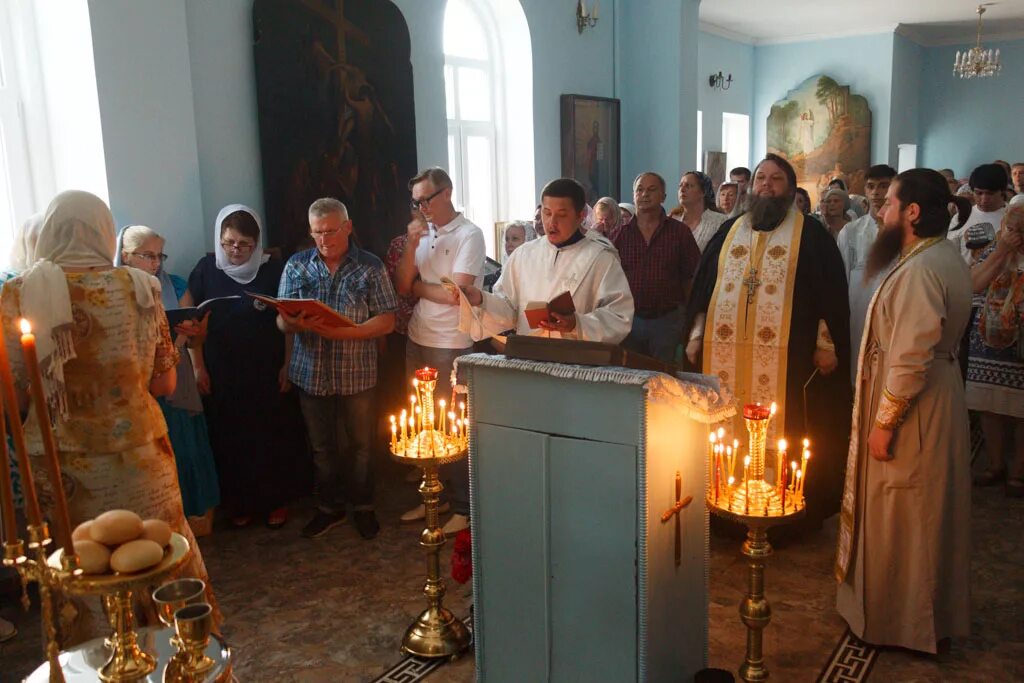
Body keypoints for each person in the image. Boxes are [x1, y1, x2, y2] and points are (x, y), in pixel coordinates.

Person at [0, 190, 217, 633]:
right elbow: (165, 383)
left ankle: (100, 660)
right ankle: (181, 658)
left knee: (85, 571)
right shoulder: (140, 287)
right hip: (140, 455)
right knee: (158, 557)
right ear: (105, 233)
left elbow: (18, 398)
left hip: (63, 466)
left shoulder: (16, 295)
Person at [835, 168, 973, 654]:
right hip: (937, 395)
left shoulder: (918, 269)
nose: (882, 211)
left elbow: (911, 355)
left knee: (904, 509)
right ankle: (918, 615)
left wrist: (883, 424)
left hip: (915, 408)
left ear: (912, 212)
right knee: (919, 509)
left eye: (890, 203)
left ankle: (900, 621)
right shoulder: (935, 255)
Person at [685, 154, 852, 529]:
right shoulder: (728, 233)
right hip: (722, 357)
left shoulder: (811, 235)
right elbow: (702, 293)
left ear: (790, 189)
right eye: (761, 177)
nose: (766, 185)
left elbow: (831, 297)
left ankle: (784, 515)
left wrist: (826, 344)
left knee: (788, 428)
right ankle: (722, 507)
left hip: (788, 361)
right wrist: (696, 336)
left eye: (776, 179)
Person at [278, 198, 397, 540]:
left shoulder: (370, 266)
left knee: (361, 445)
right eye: (317, 233)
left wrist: (347, 332)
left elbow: (388, 320)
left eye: (331, 231)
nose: (324, 239)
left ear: (347, 227)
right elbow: (281, 323)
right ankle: (328, 508)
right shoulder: (297, 265)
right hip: (310, 370)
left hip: (356, 370)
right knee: (321, 447)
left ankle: (363, 507)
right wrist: (292, 323)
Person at [188, 204, 306, 530]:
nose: (236, 250)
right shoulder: (206, 270)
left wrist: (288, 363)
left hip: (265, 367)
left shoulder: (273, 270)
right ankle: (239, 503)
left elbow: (288, 319)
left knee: (270, 435)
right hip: (222, 367)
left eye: (244, 244)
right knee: (229, 435)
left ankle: (274, 502)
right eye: (229, 243)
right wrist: (198, 367)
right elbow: (191, 324)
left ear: (257, 243)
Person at [395, 168, 485, 535]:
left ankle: (464, 506)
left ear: (447, 193)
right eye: (416, 202)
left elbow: (456, 294)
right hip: (418, 336)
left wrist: (421, 287)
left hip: (451, 341)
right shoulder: (421, 233)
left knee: (452, 425)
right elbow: (403, 284)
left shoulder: (469, 234)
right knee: (424, 422)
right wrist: (411, 247)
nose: (421, 208)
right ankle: (435, 494)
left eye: (426, 200)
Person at [117, 226, 220, 535]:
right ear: (125, 256)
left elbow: (196, 338)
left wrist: (196, 335)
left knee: (186, 445)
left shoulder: (174, 284)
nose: (155, 263)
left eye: (159, 255)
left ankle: (195, 516)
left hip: (180, 372)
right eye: (147, 255)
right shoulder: (118, 291)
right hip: (143, 377)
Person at [457, 178, 633, 343]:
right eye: (547, 213)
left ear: (580, 216)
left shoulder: (601, 258)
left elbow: (619, 316)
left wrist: (577, 323)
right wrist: (481, 299)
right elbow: (510, 309)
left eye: (561, 215)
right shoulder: (524, 255)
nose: (551, 222)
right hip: (531, 357)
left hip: (577, 362)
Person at [611, 172, 700, 363]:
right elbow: (610, 278)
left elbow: (692, 276)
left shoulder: (679, 232)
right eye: (640, 190)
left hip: (667, 321)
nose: (645, 194)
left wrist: (686, 315)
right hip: (629, 320)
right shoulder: (621, 234)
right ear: (633, 195)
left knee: (664, 381)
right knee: (629, 378)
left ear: (664, 196)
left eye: (652, 190)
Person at [966, 205, 1024, 496]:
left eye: (1020, 231)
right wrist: (1002, 251)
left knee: (1020, 410)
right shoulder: (993, 251)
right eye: (1010, 229)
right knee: (989, 406)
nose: (1014, 236)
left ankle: (1018, 471)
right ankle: (995, 465)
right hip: (988, 340)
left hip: (1020, 343)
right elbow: (973, 284)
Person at [837, 164, 898, 380]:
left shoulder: (906, 232)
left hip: (895, 316)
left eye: (883, 186)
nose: (876, 193)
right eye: (871, 187)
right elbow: (841, 280)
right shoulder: (851, 231)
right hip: (859, 316)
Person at [948, 164, 1008, 263]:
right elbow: (951, 255)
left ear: (1002, 191)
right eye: (979, 193)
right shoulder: (961, 217)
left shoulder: (1015, 216)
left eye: (990, 193)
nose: (984, 199)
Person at [671, 171, 727, 252]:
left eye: (688, 186)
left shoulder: (720, 222)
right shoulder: (673, 220)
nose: (682, 190)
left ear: (703, 191)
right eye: (680, 186)